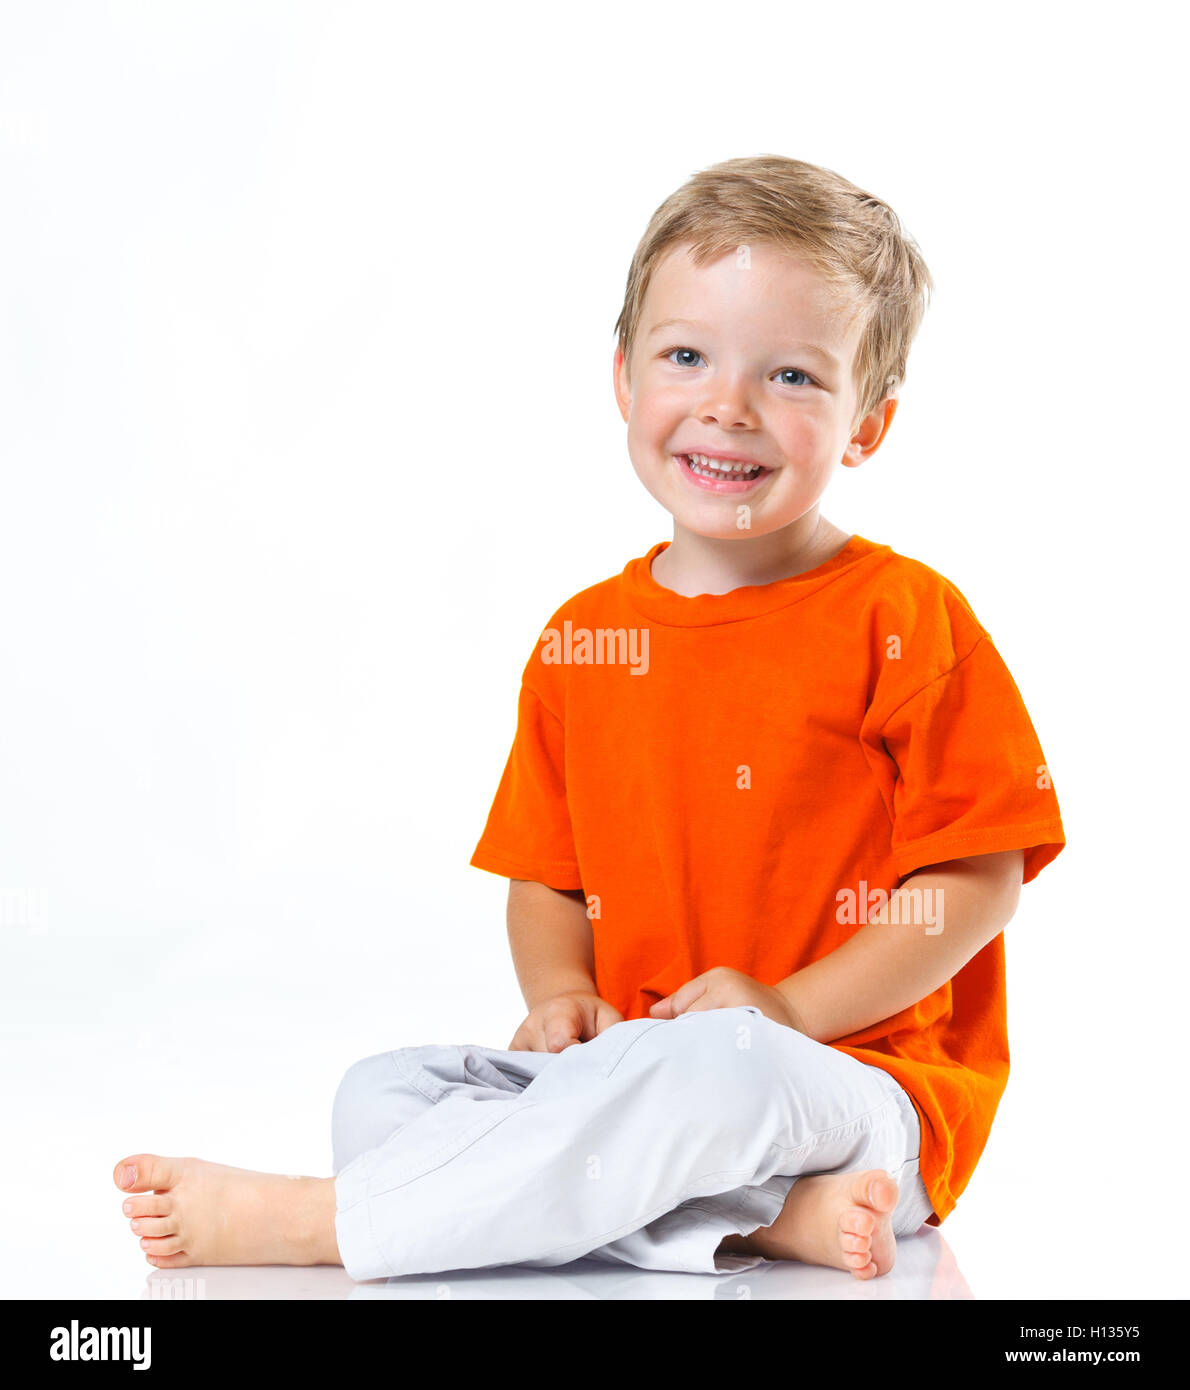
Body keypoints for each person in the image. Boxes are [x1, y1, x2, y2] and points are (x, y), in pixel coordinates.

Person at [113, 154, 1065, 1281]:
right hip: (637, 1074)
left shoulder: (908, 619)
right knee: (384, 1095)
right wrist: (561, 995)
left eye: (794, 377)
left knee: (723, 1075)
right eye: (685, 356)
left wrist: (786, 1010)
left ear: (867, 425)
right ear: (622, 378)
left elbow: (976, 881)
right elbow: (547, 878)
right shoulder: (581, 639)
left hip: (851, 1092)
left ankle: (330, 1225)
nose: (727, 404)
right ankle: (755, 1223)